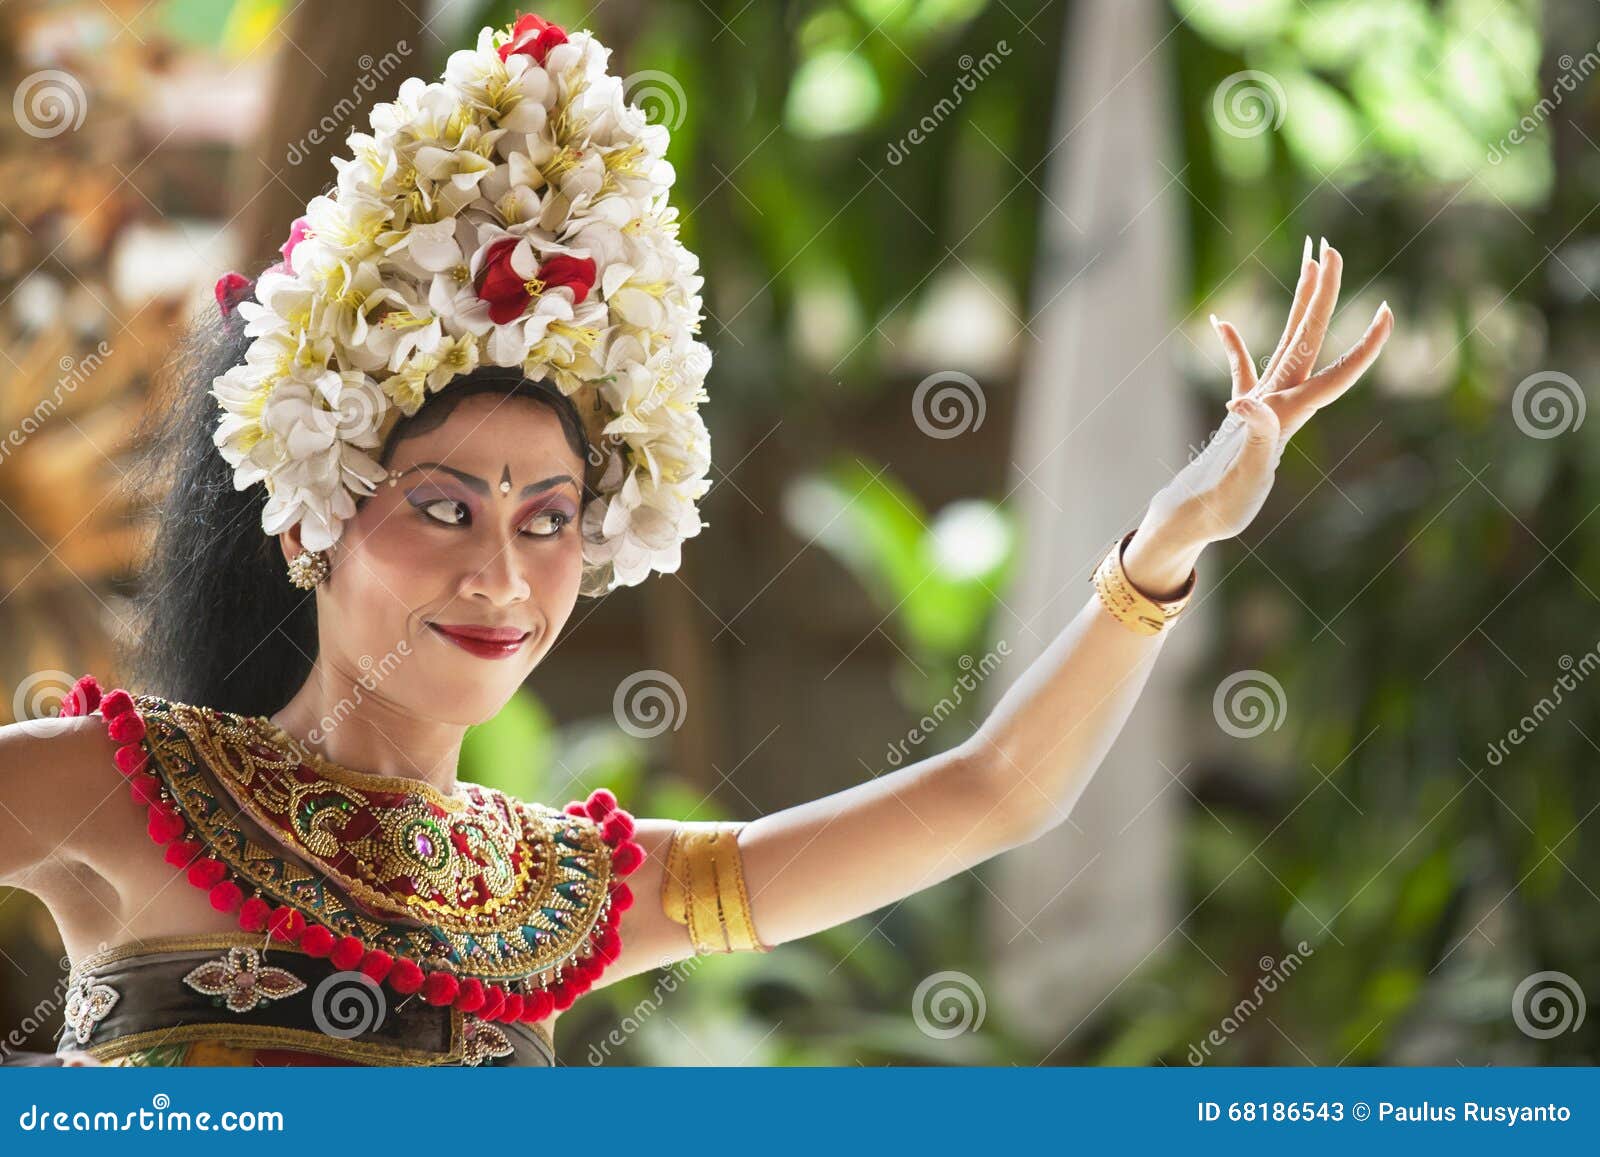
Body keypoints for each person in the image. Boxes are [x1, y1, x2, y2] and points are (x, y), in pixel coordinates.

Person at [0, 13, 1393, 1066]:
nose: (501, 569)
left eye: (549, 517)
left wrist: (1164, 546)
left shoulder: (572, 890)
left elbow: (990, 795)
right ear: (311, 519)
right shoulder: (124, 792)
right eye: (443, 506)